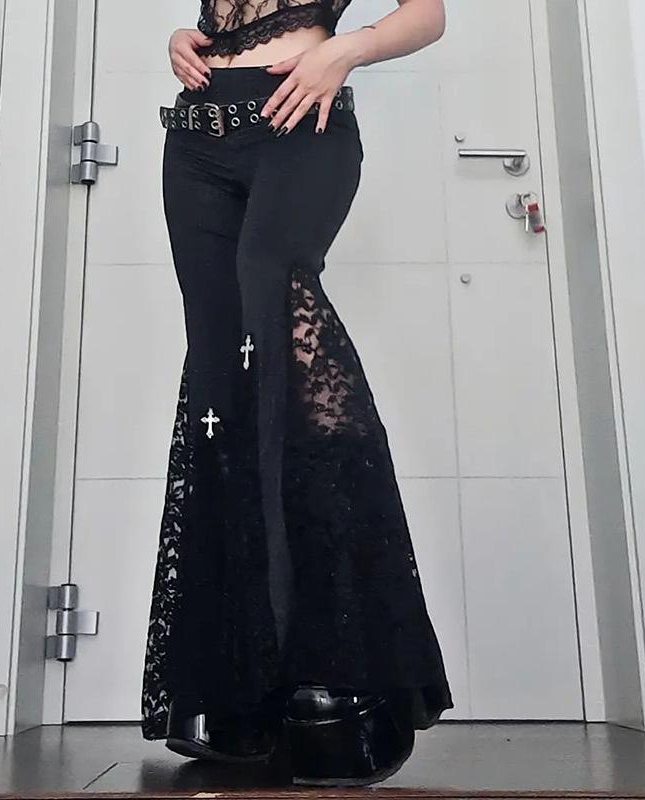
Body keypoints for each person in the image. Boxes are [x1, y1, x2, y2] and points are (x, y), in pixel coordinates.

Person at [141, 0, 452, 786]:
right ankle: (233, 688)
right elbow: (224, 21)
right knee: (221, 379)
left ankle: (349, 679)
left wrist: (345, 52)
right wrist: (185, 40)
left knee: (287, 331)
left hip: (299, 123)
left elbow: (428, 15)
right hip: (195, 140)